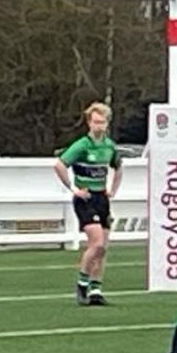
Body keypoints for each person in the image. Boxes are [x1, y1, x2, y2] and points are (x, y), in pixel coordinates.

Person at [56, 102, 123, 304]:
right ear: (89, 122)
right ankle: (82, 283)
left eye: (102, 122)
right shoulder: (82, 146)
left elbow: (118, 168)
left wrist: (113, 191)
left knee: (103, 248)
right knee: (97, 243)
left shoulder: (109, 146)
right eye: (95, 122)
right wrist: (74, 189)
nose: (99, 126)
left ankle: (96, 290)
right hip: (86, 199)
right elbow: (59, 165)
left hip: (101, 198)